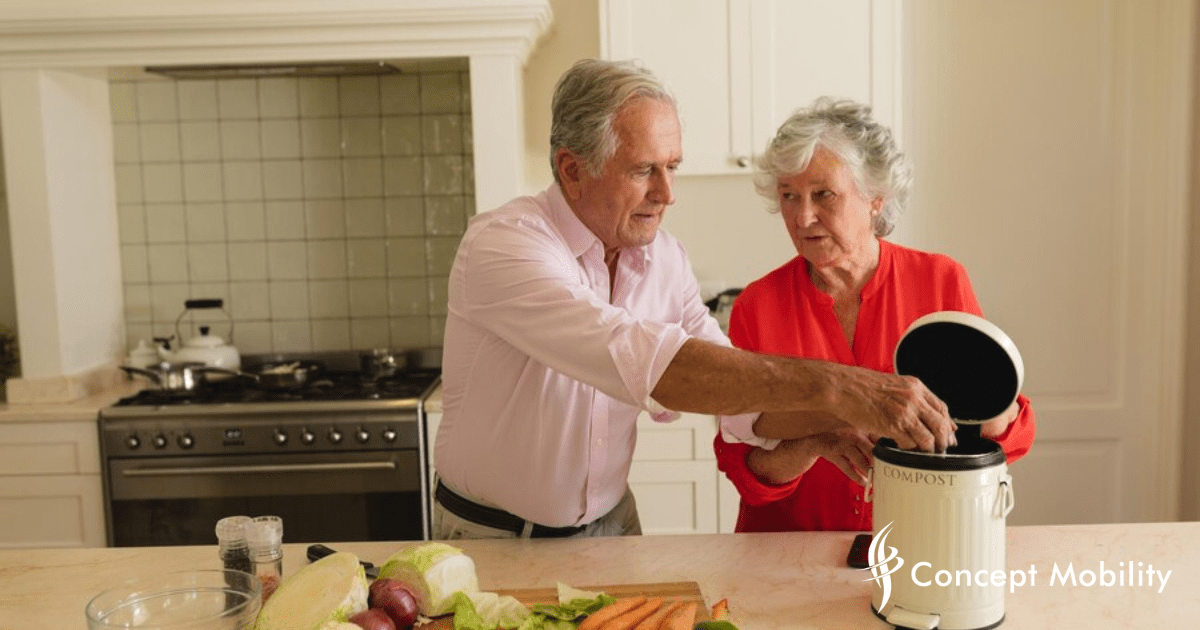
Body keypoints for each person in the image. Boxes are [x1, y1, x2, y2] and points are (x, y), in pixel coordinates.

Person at [432, 59, 957, 540]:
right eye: (644, 170)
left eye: (672, 166)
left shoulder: (663, 257)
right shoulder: (507, 245)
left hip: (613, 525)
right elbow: (643, 360)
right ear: (572, 169)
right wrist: (842, 388)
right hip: (492, 536)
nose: (667, 193)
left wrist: (827, 426)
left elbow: (737, 401)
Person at [713, 97, 1037, 533]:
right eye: (789, 196)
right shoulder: (758, 305)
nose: (802, 216)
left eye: (823, 194)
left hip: (919, 540)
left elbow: (1006, 436)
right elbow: (746, 470)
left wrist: (992, 412)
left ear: (875, 199)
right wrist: (814, 443)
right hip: (789, 550)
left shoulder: (940, 281)